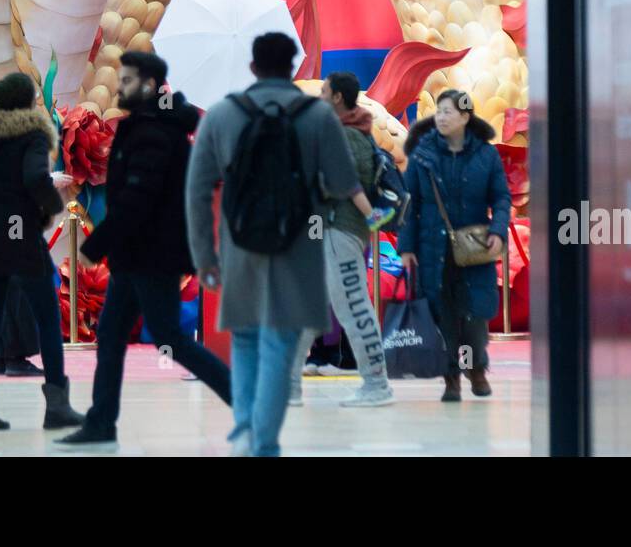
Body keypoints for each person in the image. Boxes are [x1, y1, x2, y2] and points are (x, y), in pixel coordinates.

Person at [185, 32, 362, 457]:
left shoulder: (223, 114)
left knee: (245, 339)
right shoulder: (318, 116)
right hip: (299, 245)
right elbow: (341, 183)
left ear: (253, 67)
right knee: (282, 344)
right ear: (293, 66)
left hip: (239, 244)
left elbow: (195, 189)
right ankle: (261, 441)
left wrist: (203, 256)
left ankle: (246, 430)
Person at [56, 51, 233, 451]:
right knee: (112, 333)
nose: (120, 86)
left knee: (171, 337)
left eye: (129, 80)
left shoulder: (154, 131)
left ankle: (243, 399)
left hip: (153, 256)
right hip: (138, 256)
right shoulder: (148, 125)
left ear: (150, 85)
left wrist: (95, 246)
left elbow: (137, 198)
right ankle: (101, 422)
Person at [0, 72, 83, 431]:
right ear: (29, 102)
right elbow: (33, 178)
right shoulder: (32, 134)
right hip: (21, 231)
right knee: (47, 319)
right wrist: (48, 209)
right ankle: (57, 405)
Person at [397, 89, 511, 402]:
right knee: (443, 315)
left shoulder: (485, 155)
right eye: (439, 111)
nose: (442, 117)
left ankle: (475, 368)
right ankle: (451, 378)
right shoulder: (422, 154)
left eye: (448, 111)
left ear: (465, 117)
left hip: (474, 248)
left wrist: (499, 230)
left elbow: (500, 197)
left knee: (474, 314)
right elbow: (410, 203)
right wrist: (406, 246)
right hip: (433, 249)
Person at [289, 71, 394, 407]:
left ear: (336, 98)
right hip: (336, 231)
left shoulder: (344, 136)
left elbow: (340, 182)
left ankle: (376, 384)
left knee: (353, 307)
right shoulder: (356, 131)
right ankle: (288, 386)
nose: (319, 96)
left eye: (323, 91)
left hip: (339, 230)